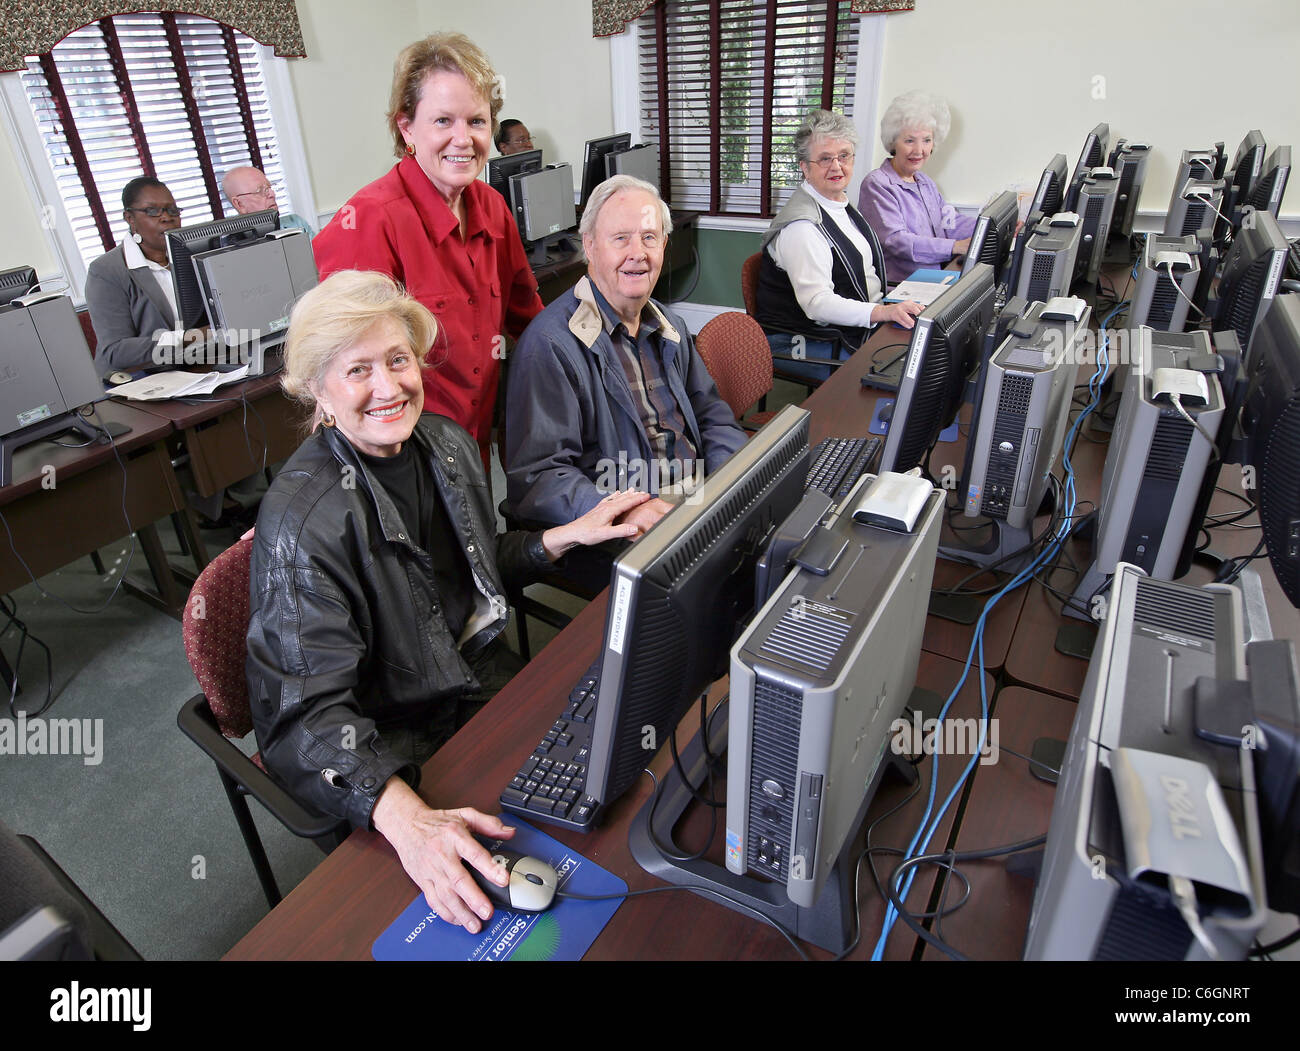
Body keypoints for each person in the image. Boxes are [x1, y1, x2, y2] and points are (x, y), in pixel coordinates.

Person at [246, 269, 649, 932]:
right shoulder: (303, 526)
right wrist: (403, 815)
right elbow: (300, 719)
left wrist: (560, 537)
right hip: (397, 744)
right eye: (358, 370)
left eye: (399, 359)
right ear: (317, 390)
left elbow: (474, 569)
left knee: (617, 794)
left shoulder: (445, 443)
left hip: (476, 689)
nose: (389, 386)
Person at [313, 32, 543, 467]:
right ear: (406, 127)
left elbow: (525, 311)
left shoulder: (492, 206)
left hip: (474, 442)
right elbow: (349, 375)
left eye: (476, 121)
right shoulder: (370, 220)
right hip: (403, 456)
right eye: (443, 121)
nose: (463, 139)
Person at [505, 174, 747, 545]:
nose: (638, 253)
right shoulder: (550, 345)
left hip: (697, 494)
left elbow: (710, 411)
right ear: (589, 246)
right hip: (629, 519)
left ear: (665, 245)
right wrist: (628, 510)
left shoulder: (671, 324)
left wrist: (730, 473)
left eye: (649, 237)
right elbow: (538, 477)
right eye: (621, 239)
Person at [756, 110, 923, 380]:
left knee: (923, 351)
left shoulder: (839, 205)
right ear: (804, 167)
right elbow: (817, 304)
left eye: (844, 155)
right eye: (824, 159)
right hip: (805, 341)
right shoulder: (802, 228)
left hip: (848, 327)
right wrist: (882, 312)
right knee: (906, 374)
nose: (837, 166)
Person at [856, 91, 977, 282]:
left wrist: (989, 227)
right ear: (893, 141)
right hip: (902, 288)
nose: (919, 150)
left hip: (938, 278)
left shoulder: (925, 182)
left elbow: (949, 222)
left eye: (927, 140)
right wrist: (955, 247)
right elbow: (897, 241)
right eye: (909, 141)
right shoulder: (877, 184)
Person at [84, 177, 194, 378]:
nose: (166, 217)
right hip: (135, 381)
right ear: (130, 218)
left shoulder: (191, 255)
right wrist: (185, 338)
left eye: (172, 210)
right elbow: (116, 351)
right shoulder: (106, 271)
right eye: (152, 211)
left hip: (194, 366)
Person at [221, 165, 314, 236]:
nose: (272, 194)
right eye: (260, 191)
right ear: (240, 204)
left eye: (269, 188)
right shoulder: (232, 244)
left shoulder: (296, 223)